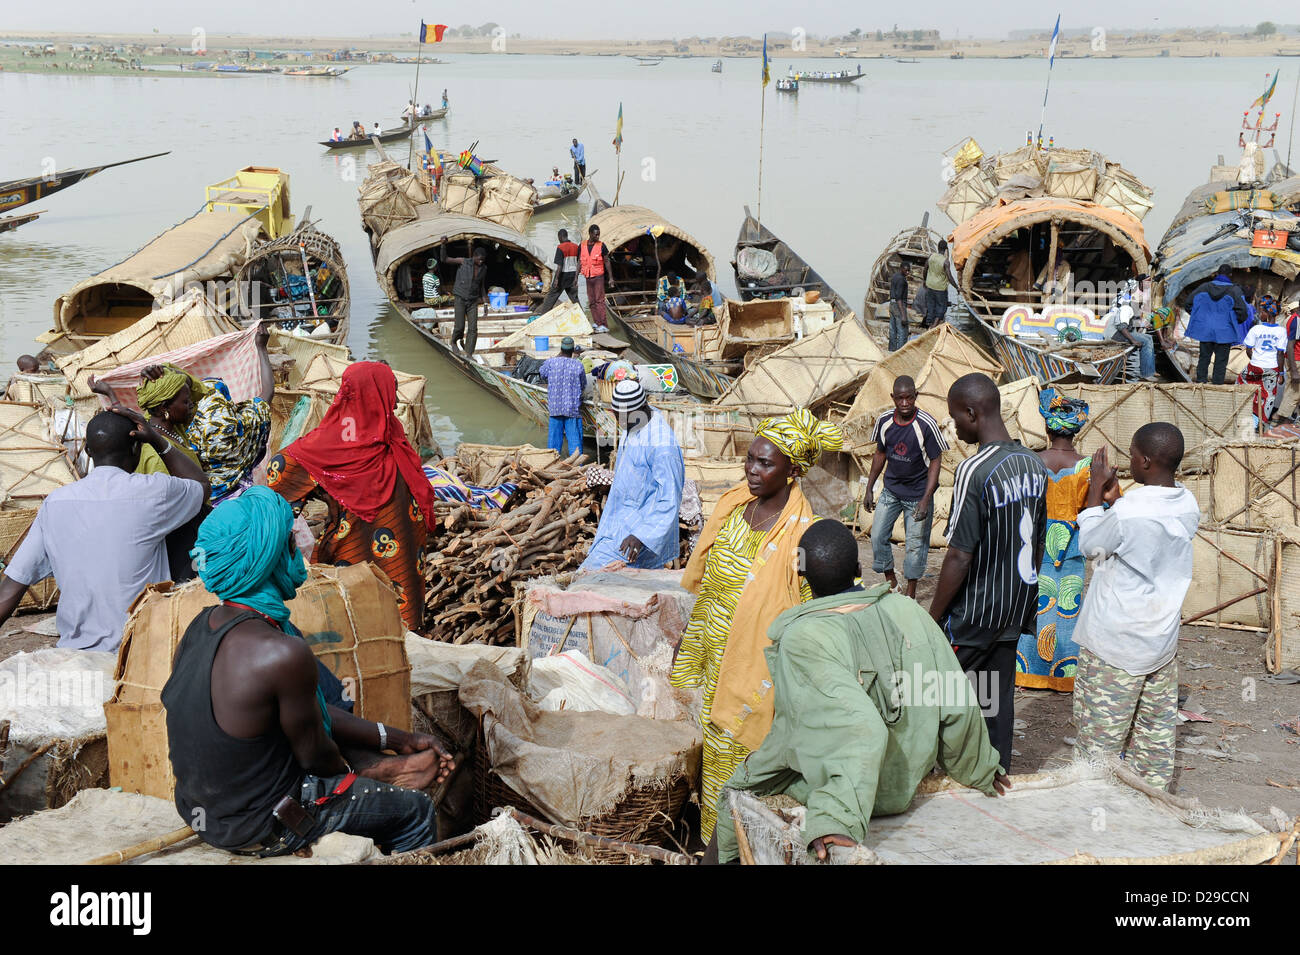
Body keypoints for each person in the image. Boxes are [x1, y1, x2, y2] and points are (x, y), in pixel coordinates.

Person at [163, 488, 453, 857]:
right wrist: (356, 777)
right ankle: (369, 773)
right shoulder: (279, 653)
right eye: (288, 543)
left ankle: (371, 768)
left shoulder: (202, 625)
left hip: (200, 811)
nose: (297, 551)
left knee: (312, 686)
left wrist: (396, 739)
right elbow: (317, 756)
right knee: (415, 811)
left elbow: (309, 714)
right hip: (258, 825)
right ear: (265, 559)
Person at [711, 520, 1008, 864]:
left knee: (736, 791)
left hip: (851, 801)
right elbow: (956, 701)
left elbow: (859, 729)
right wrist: (981, 769)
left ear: (802, 578)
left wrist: (835, 818)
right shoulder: (908, 611)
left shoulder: (803, 638)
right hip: (905, 782)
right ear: (856, 569)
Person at [670, 410, 843, 841]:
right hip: (715, 660)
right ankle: (711, 842)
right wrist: (690, 643)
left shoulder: (803, 535)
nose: (751, 469)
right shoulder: (733, 510)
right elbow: (709, 587)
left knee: (742, 765)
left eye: (765, 463)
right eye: (749, 459)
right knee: (712, 759)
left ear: (791, 471)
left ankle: (738, 845)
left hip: (755, 675)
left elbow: (810, 616)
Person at [0, 409, 207, 652]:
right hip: (138, 652)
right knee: (196, 519)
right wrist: (158, 440)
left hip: (75, 650)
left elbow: (11, 588)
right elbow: (201, 485)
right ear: (136, 449)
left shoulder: (55, 502)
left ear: (88, 452)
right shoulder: (154, 491)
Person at [930, 373, 1047, 771]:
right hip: (1013, 610)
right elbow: (1040, 541)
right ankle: (996, 774)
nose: (954, 426)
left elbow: (960, 556)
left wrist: (934, 617)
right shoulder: (1034, 464)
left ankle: (940, 778)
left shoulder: (974, 470)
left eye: (954, 418)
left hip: (974, 614)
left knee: (936, 696)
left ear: (971, 412)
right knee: (996, 701)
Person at [1072, 424, 1199, 790]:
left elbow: (1092, 547)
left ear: (1144, 461)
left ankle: (1093, 822)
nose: (1127, 462)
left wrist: (1096, 489)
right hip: (1159, 643)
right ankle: (1148, 817)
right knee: (1152, 744)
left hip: (1116, 646)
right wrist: (1116, 501)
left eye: (1130, 455)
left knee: (1099, 747)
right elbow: (1144, 530)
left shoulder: (1129, 514)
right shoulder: (1187, 504)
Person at [267, 362, 439, 633]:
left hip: (402, 561)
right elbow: (283, 469)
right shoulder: (324, 447)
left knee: (395, 633)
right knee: (355, 628)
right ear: (372, 394)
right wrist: (287, 525)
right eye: (389, 390)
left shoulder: (390, 433)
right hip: (352, 555)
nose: (394, 400)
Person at [1015, 390, 1117, 692]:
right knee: (1067, 610)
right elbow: (1109, 509)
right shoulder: (1091, 468)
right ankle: (1064, 675)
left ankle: (1028, 672)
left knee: (1034, 606)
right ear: (1078, 427)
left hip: (1031, 551)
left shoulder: (1029, 461)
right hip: (1072, 551)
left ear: (1046, 426)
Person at [579, 379, 684, 572]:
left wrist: (642, 536)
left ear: (639, 409)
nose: (619, 422)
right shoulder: (635, 423)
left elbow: (669, 499)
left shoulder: (662, 446)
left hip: (638, 536)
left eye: (622, 417)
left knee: (591, 579)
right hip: (619, 523)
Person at [864, 375, 947, 599]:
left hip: (917, 495)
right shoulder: (884, 422)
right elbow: (880, 454)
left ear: (915, 397)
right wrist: (869, 487)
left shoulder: (926, 424)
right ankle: (891, 582)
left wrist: (925, 499)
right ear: (893, 398)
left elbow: (936, 461)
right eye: (899, 398)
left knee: (914, 546)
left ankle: (910, 594)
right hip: (891, 491)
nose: (904, 403)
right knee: (878, 536)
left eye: (909, 398)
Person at [1185, 265, 1249, 385]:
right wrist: (1233, 321)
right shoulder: (1234, 290)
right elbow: (1243, 312)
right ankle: (1217, 388)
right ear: (1230, 275)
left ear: (1217, 273)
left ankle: (1200, 384)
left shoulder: (1204, 287)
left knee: (1204, 358)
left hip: (1205, 330)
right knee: (1221, 362)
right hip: (1225, 331)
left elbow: (1188, 304)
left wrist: (1201, 318)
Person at [1240, 294, 1287, 422]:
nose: (1260, 315)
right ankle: (1260, 422)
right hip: (1272, 368)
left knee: (1241, 382)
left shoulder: (1256, 329)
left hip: (1255, 366)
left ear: (1267, 314)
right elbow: (1280, 354)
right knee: (1268, 396)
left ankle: (1244, 413)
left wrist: (1255, 359)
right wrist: (1281, 373)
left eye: (1262, 312)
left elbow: (1248, 349)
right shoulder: (1282, 331)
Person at [539, 337, 586, 457]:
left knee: (554, 443)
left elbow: (542, 373)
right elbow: (583, 384)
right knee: (575, 441)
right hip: (572, 408)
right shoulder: (578, 365)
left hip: (555, 408)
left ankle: (552, 465)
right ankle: (577, 468)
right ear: (573, 351)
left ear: (561, 349)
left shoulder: (551, 362)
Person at [441, 241, 488, 357]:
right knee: (459, 326)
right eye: (479, 259)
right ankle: (454, 341)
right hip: (460, 298)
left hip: (473, 301)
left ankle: (469, 353)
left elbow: (481, 286)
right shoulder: (464, 262)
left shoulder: (484, 268)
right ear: (474, 256)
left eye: (483, 260)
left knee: (473, 328)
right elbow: (445, 259)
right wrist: (443, 245)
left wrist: (485, 303)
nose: (481, 261)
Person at [580, 224, 613, 334]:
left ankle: (604, 325)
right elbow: (579, 263)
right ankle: (597, 323)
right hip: (588, 277)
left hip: (598, 277)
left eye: (599, 234)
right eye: (595, 235)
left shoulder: (602, 246)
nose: (598, 236)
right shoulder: (582, 245)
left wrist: (611, 278)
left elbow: (607, 261)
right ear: (590, 234)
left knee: (600, 301)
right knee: (592, 302)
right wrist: (575, 278)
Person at [538, 229, 581, 315]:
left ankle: (543, 316)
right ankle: (582, 315)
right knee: (575, 299)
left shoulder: (560, 247)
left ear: (560, 237)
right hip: (573, 276)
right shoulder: (576, 246)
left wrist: (557, 279)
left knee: (551, 298)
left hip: (562, 276)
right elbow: (579, 262)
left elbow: (560, 266)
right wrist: (576, 277)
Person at [923, 239, 949, 328]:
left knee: (930, 305)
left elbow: (925, 269)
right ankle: (934, 325)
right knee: (942, 307)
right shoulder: (945, 261)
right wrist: (957, 287)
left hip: (930, 285)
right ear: (945, 249)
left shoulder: (931, 256)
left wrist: (924, 280)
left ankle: (929, 323)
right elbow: (949, 277)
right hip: (940, 289)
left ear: (938, 248)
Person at [888, 267, 909, 351]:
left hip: (892, 304)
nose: (907, 272)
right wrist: (903, 315)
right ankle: (900, 352)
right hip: (898, 305)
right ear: (901, 269)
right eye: (906, 270)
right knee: (902, 331)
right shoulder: (902, 280)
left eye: (908, 270)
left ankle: (891, 350)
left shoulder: (895, 276)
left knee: (892, 330)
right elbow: (899, 298)